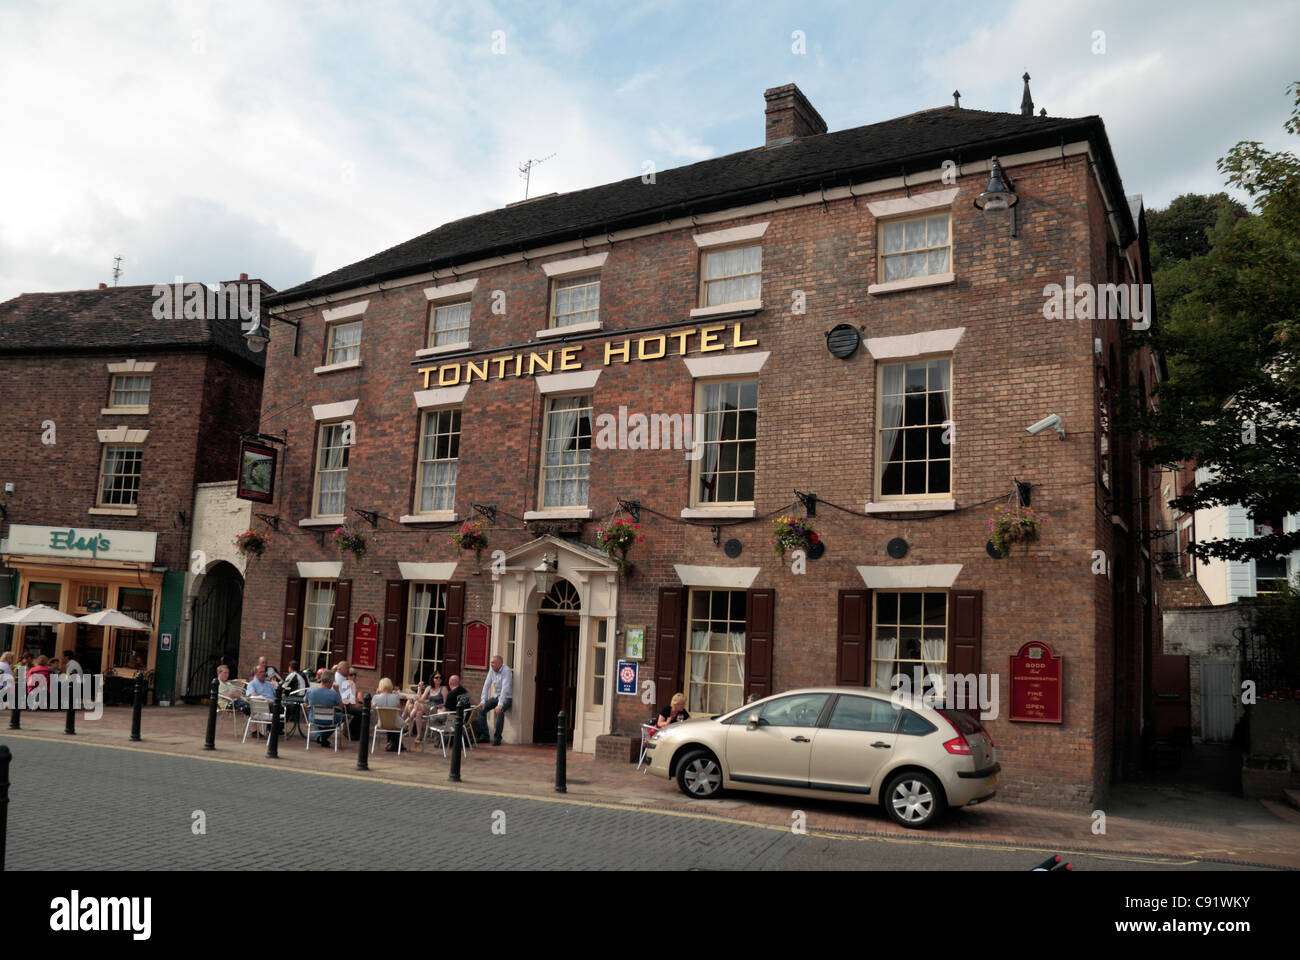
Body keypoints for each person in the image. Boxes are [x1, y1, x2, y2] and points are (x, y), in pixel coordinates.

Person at [476, 655, 513, 746]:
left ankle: (497, 738)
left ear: (500, 663)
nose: (491, 664)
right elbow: (486, 685)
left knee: (499, 711)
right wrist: (483, 700)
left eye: (493, 663)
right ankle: (484, 736)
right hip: (496, 696)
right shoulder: (492, 670)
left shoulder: (506, 670)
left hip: (506, 698)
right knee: (480, 709)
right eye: (491, 662)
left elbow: (505, 688)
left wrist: (500, 705)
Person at [304, 673, 345, 745]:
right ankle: (323, 737)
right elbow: (341, 706)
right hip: (330, 720)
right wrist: (337, 691)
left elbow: (305, 704)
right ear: (330, 681)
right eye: (332, 682)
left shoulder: (310, 690)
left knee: (314, 713)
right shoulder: (333, 694)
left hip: (314, 718)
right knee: (342, 716)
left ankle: (319, 735)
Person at [371, 677, 403, 751]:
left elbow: (371, 708)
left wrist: (377, 694)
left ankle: (392, 743)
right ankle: (394, 744)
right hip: (394, 723)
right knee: (395, 723)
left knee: (389, 722)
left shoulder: (376, 698)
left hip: (381, 723)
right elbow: (398, 708)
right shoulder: (395, 697)